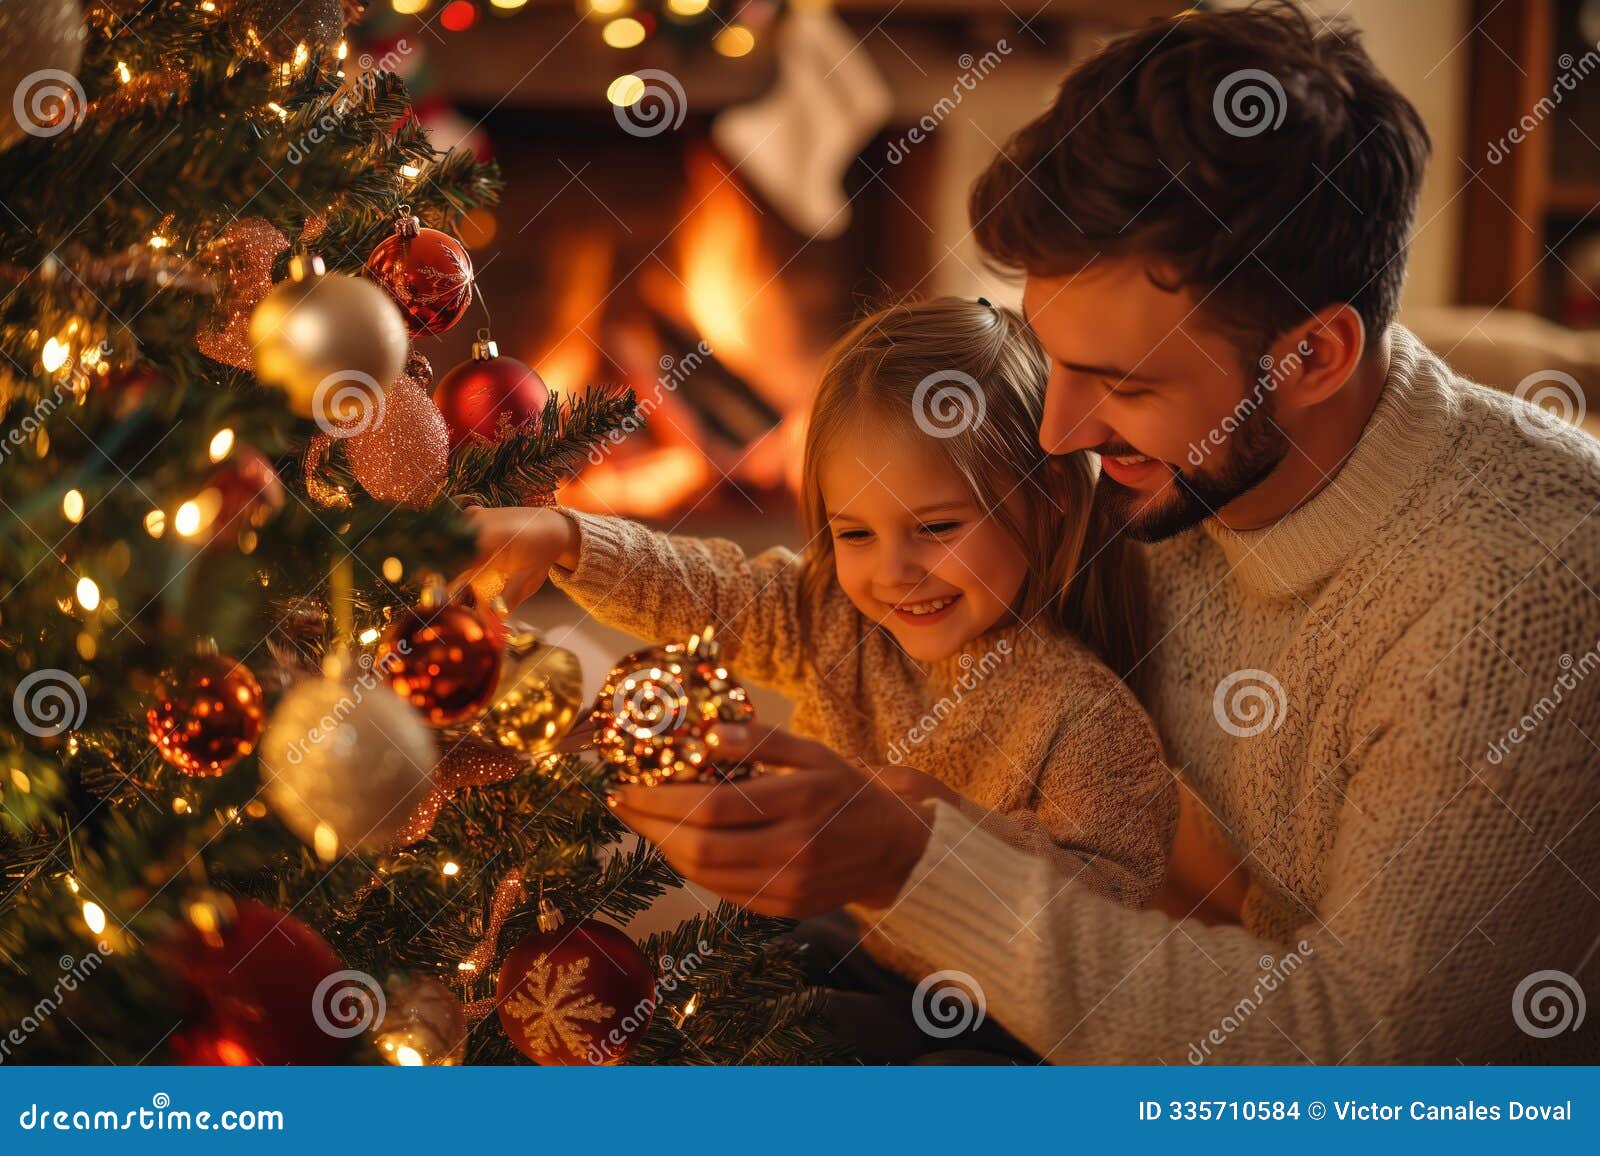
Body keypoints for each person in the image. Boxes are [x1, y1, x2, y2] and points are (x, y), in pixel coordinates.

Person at [602, 3, 1600, 1064]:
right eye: (1052, 356)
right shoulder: (1161, 471)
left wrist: (916, 865)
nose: (1057, 431)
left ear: (1313, 357)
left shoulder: (1521, 594)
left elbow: (1368, 1055)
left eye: (1121, 383)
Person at [465, 299, 1180, 998]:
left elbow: (1110, 912)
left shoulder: (1086, 718)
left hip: (995, 1010)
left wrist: (950, 838)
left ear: (1049, 494)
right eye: (856, 534)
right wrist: (567, 537)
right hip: (846, 944)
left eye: (936, 528)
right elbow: (707, 591)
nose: (893, 573)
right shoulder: (834, 619)